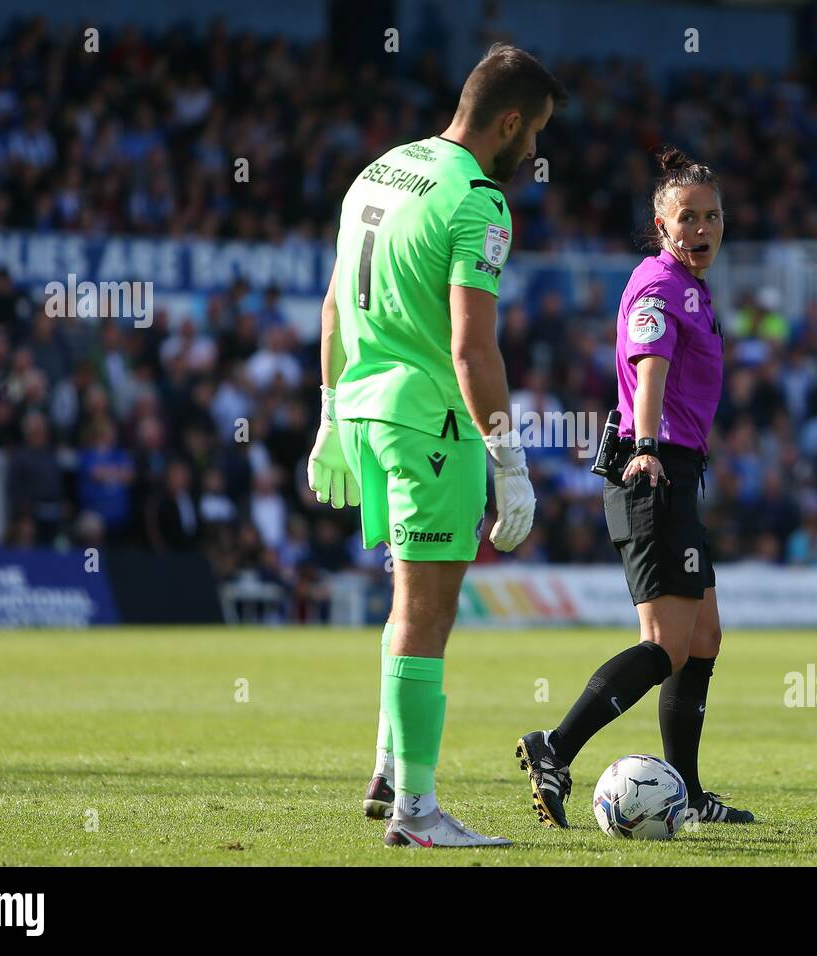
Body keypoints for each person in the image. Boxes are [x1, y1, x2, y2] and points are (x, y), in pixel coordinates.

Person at [307, 44, 565, 848]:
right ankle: (418, 815)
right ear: (511, 122)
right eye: (535, 136)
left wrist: (325, 411)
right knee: (428, 616)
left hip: (364, 410)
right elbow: (472, 351)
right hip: (431, 424)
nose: (535, 154)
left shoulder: (381, 170)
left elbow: (332, 303)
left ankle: (390, 771)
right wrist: (511, 463)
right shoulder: (479, 201)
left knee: (403, 607)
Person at [517, 146, 754, 828]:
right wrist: (647, 448)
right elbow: (648, 372)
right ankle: (554, 748)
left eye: (712, 217)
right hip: (652, 470)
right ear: (661, 222)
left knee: (703, 636)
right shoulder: (659, 286)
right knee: (666, 644)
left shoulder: (692, 286)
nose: (701, 230)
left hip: (678, 472)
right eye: (687, 218)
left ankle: (690, 792)